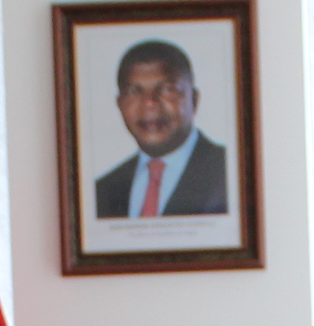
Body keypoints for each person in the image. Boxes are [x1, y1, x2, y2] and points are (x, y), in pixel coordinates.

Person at [90, 37, 230, 221]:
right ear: (120, 104)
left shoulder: (229, 173)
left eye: (167, 89)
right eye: (134, 91)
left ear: (193, 99)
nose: (149, 103)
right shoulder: (102, 190)